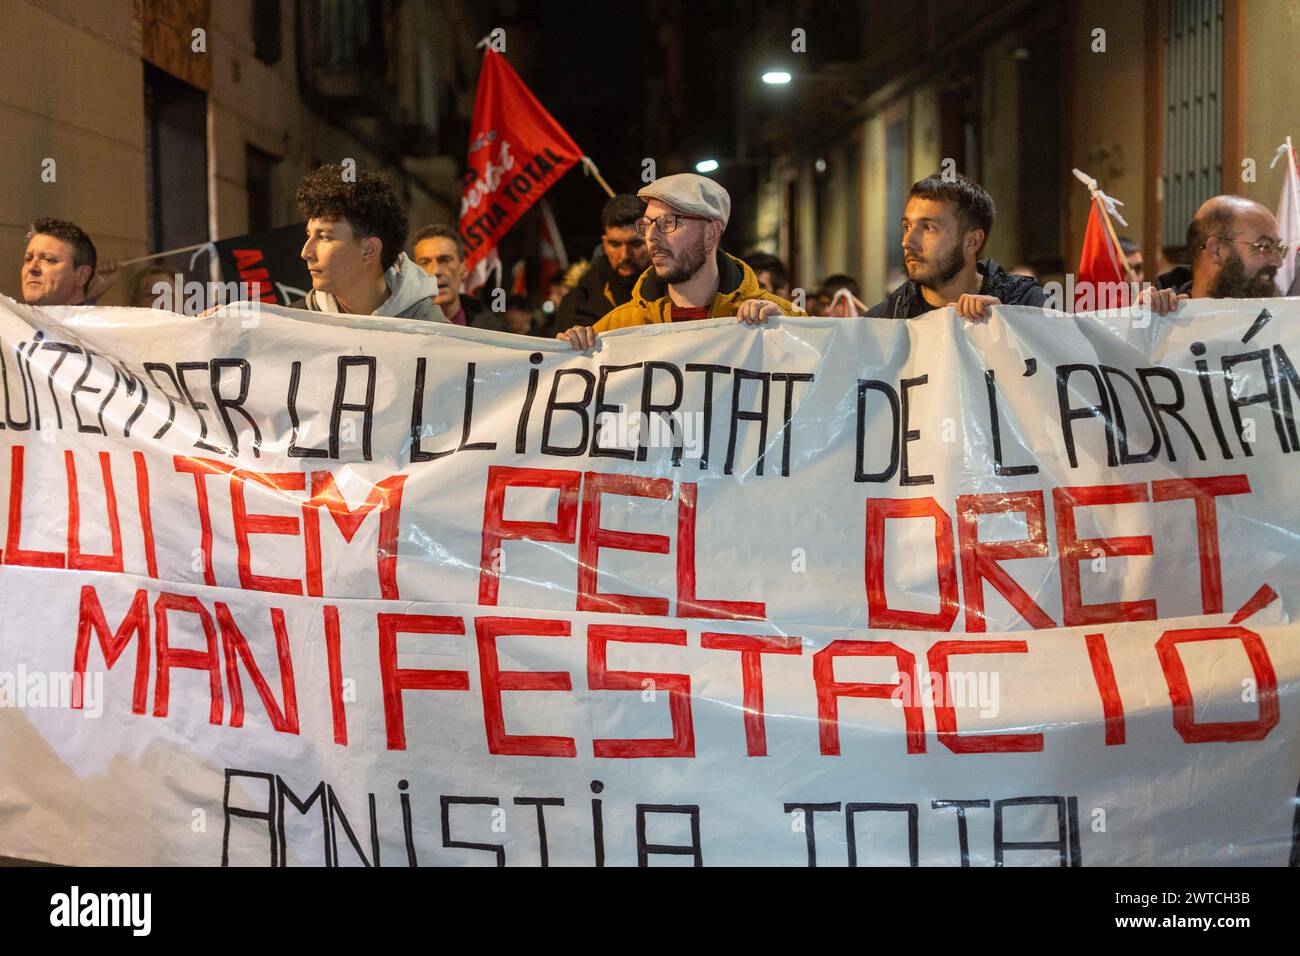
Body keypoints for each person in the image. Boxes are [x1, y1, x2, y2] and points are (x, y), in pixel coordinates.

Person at [559, 173, 802, 349]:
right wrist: (570, 353)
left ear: (711, 233)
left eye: (668, 222)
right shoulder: (619, 326)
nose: (651, 237)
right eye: (646, 225)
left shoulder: (776, 316)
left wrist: (789, 333)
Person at [866, 174, 1046, 319]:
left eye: (929, 228)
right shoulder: (885, 321)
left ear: (972, 242)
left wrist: (1006, 323)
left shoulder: (1031, 307)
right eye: (907, 227)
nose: (907, 242)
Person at [291, 163, 446, 322]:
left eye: (324, 237)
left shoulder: (436, 337)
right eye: (309, 234)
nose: (306, 253)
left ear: (369, 250)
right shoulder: (294, 325)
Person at [1142, 196, 1286, 314]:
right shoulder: (1164, 321)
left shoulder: (1286, 322)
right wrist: (1141, 324)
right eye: (1264, 246)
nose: (1279, 262)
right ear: (1216, 250)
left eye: (1278, 248)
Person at [554, 193, 649, 333]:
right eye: (615, 244)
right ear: (604, 243)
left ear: (651, 239)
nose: (625, 255)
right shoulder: (578, 302)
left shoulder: (672, 289)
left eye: (635, 243)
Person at [412, 223, 505, 331]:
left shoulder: (494, 334)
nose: (436, 271)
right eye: (425, 262)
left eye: (445, 260)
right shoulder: (397, 332)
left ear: (463, 271)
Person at [19, 218, 98, 306]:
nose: (32, 267)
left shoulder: (102, 319)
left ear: (81, 275)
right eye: (28, 258)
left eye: (48, 259)